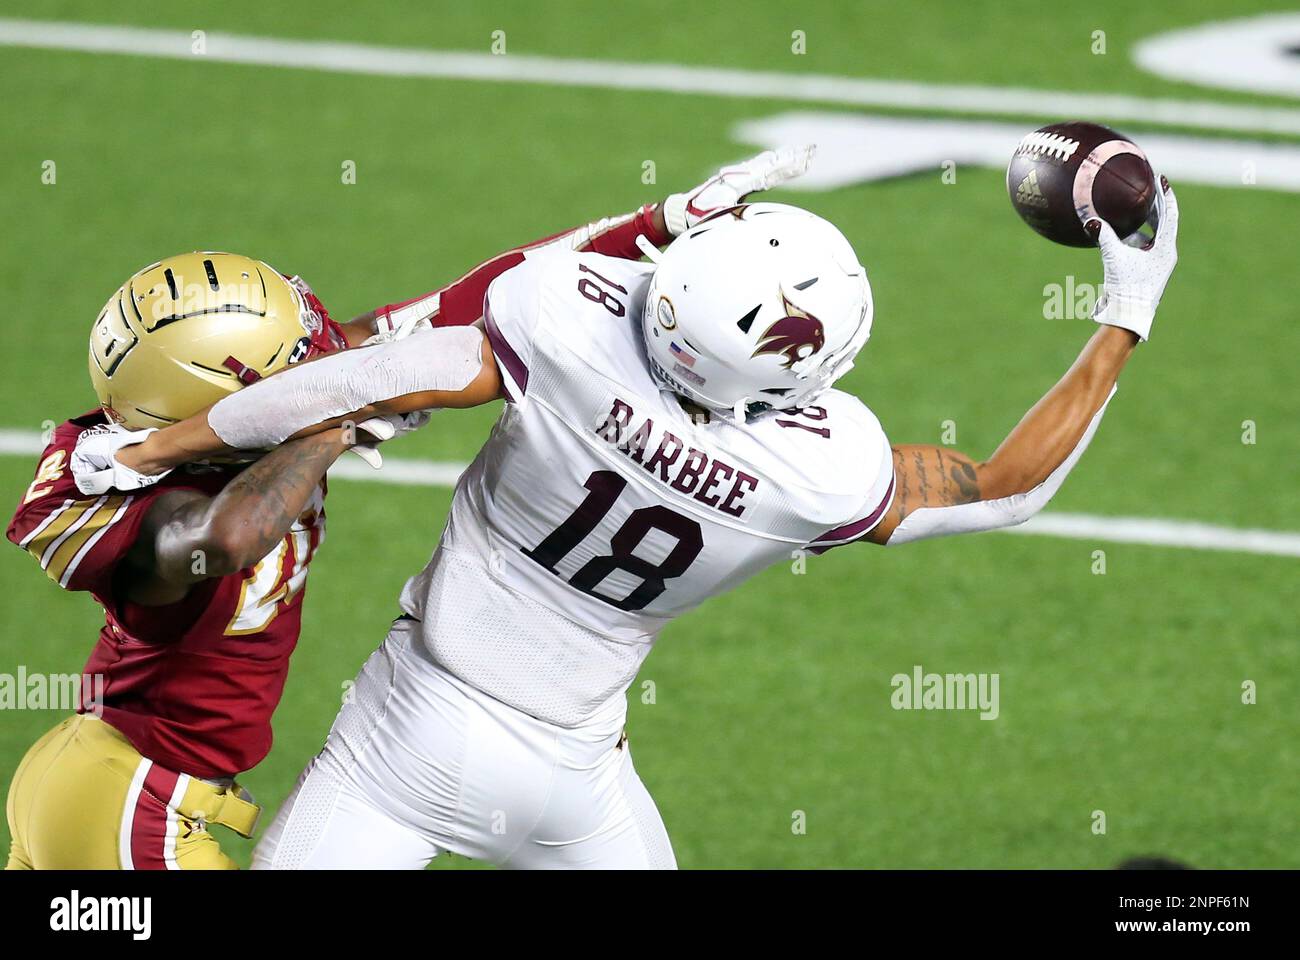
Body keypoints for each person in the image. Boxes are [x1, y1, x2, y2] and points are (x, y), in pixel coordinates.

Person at [71, 153, 1179, 869]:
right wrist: (1125, 308)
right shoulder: (822, 467)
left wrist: (148, 446)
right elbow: (1010, 486)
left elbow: (359, 377)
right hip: (574, 779)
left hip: (404, 734)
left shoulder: (560, 320)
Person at [5, 159, 751, 867]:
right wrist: (327, 425)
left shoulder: (208, 423)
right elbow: (224, 539)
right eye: (295, 365)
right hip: (128, 804)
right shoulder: (129, 501)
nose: (320, 365)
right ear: (221, 397)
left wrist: (656, 223)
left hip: (109, 785)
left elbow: (471, 302)